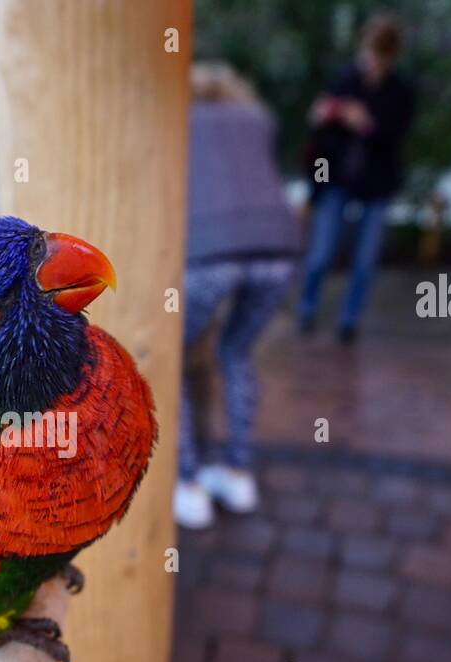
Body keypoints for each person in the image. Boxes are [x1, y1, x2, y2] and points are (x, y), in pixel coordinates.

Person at [174, 63, 300, 530]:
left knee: (172, 360)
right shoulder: (257, 120)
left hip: (209, 255)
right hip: (279, 251)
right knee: (236, 353)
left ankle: (187, 486)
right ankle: (238, 473)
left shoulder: (178, 122)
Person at [297, 13, 415, 344]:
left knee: (364, 261)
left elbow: (395, 139)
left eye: (376, 53)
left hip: (376, 186)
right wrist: (321, 117)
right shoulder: (345, 79)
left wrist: (365, 122)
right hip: (335, 179)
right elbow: (320, 134)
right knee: (320, 253)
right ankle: (307, 309)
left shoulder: (401, 91)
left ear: (389, 55)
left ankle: (349, 321)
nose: (368, 60)